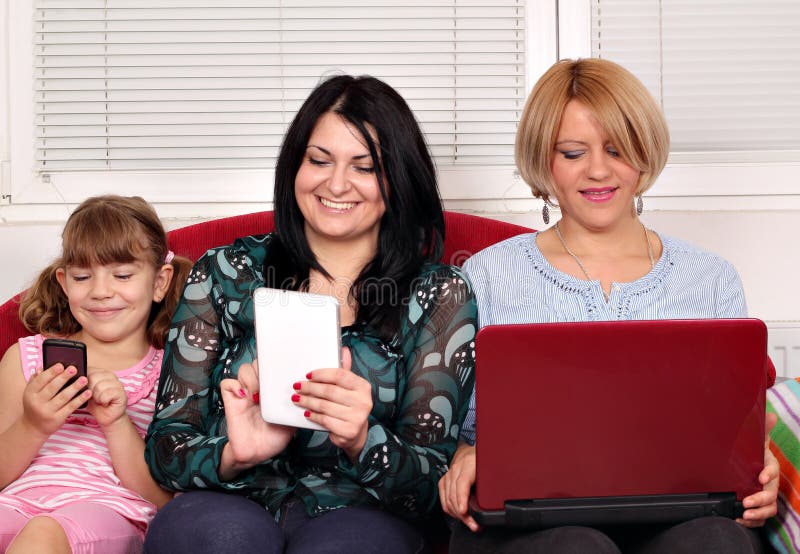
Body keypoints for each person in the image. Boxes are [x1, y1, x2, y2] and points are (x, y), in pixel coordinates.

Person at [438, 58, 779, 553]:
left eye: (617, 150)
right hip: (525, 523)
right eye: (573, 152)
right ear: (544, 160)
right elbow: (441, 423)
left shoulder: (711, 279)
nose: (598, 170)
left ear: (645, 153)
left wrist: (757, 466)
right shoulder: (486, 275)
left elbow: (728, 431)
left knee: (716, 542)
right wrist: (465, 453)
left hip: (672, 511)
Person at [142, 74, 477, 554]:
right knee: (224, 539)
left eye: (365, 167)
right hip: (229, 501)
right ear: (293, 166)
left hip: (362, 514)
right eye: (319, 160)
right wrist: (234, 454)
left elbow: (433, 485)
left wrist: (364, 439)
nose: (336, 183)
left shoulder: (439, 294)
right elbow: (165, 449)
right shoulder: (222, 273)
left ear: (399, 179)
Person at [0, 195, 192, 553]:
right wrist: (33, 424)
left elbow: (162, 500)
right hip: (15, 504)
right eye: (83, 276)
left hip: (109, 512)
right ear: (63, 281)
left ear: (159, 281)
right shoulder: (24, 359)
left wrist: (117, 421)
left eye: (122, 275)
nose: (101, 292)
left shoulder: (174, 370)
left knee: (43, 532)